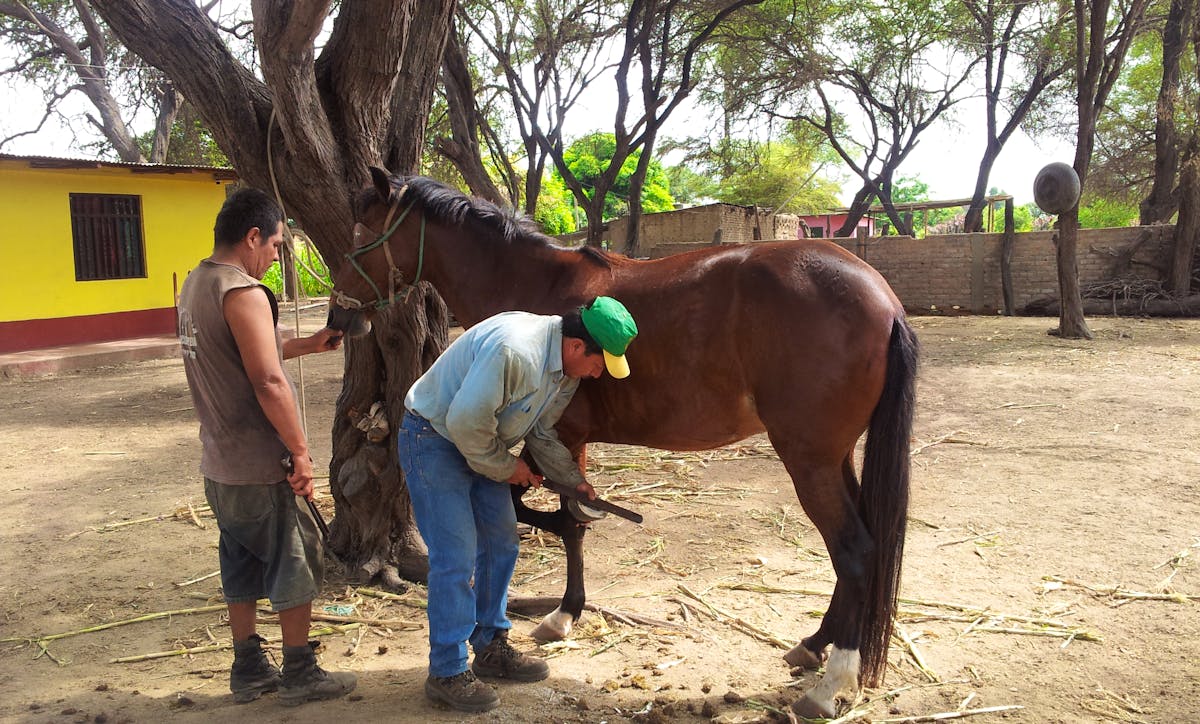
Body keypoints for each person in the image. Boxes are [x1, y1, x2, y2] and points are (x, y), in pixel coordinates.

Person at [399, 296, 638, 713]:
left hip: (482, 441)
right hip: (434, 437)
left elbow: (542, 434)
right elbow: (463, 423)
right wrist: (507, 468)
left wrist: (573, 482)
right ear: (578, 347)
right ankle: (447, 671)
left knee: (502, 543)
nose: (599, 374)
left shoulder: (565, 370)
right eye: (600, 363)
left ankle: (491, 645)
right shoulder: (517, 351)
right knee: (456, 556)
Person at [177, 188, 356, 706]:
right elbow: (268, 381)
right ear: (252, 236)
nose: (276, 256)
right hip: (260, 465)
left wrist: (308, 343)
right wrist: (300, 453)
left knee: (240, 561)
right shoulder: (243, 292)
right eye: (276, 245)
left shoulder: (197, 284)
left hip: (219, 464)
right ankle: (300, 670)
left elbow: (249, 346)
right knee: (295, 556)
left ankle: (248, 665)